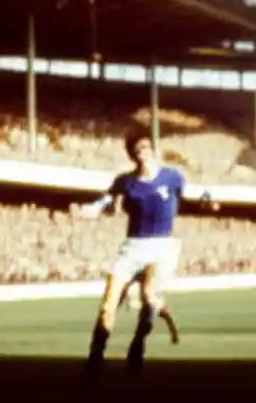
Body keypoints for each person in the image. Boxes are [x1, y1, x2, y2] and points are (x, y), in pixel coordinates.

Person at [73, 133, 215, 384]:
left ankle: (137, 345)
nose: (143, 152)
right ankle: (96, 357)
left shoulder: (171, 177)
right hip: (132, 248)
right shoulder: (126, 182)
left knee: (149, 298)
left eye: (146, 147)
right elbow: (105, 201)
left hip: (161, 247)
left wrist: (207, 201)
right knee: (108, 304)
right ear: (132, 155)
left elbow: (193, 194)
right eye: (138, 149)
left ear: (153, 149)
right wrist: (89, 210)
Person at [117, 271, 180, 344]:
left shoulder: (147, 273)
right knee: (161, 317)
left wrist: (121, 300)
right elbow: (127, 285)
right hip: (148, 299)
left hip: (152, 298)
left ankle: (175, 336)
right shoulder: (142, 273)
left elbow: (127, 286)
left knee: (164, 316)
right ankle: (174, 336)